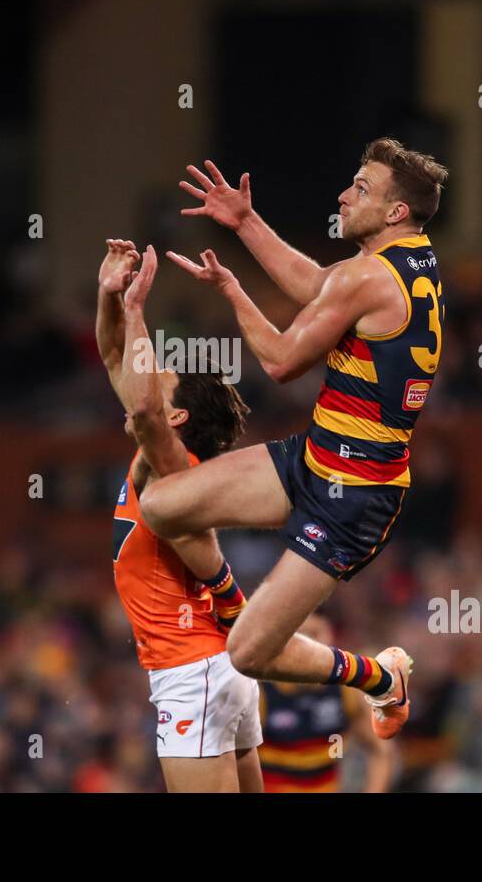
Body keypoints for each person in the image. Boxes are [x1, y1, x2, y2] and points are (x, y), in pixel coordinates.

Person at [140, 138, 448, 739]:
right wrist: (245, 221)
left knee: (249, 654)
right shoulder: (410, 256)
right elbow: (318, 285)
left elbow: (281, 361)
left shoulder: (370, 277)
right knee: (160, 507)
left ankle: (380, 678)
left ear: (394, 212)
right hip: (314, 457)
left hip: (355, 498)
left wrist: (231, 290)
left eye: (361, 188)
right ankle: (235, 607)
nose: (343, 195)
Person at [96, 238, 263, 792]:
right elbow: (118, 358)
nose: (142, 385)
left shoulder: (171, 464)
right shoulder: (164, 456)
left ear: (178, 414)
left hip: (192, 671)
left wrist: (138, 310)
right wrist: (108, 298)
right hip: (215, 667)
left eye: (160, 378)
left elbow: (143, 408)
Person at [258, 614, 398, 791]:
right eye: (299, 636)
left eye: (314, 635)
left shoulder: (346, 691)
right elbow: (235, 758)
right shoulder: (260, 692)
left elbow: (381, 750)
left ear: (330, 636)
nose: (307, 647)